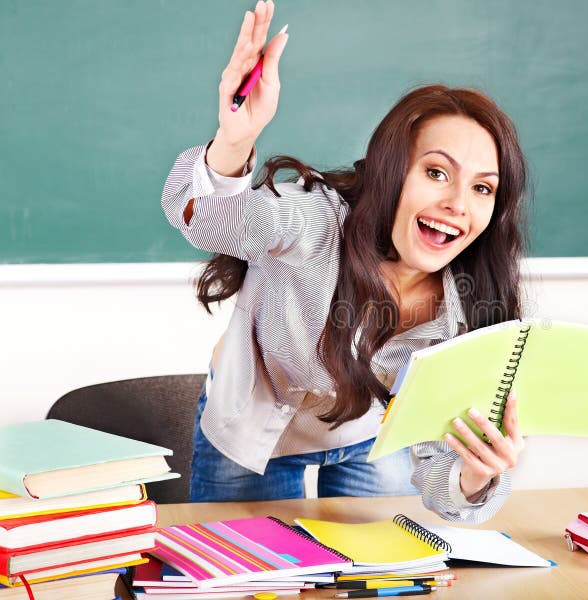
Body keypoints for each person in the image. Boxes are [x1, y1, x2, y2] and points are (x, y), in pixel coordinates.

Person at [162, 0, 529, 523]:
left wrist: (474, 474)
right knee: (244, 573)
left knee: (370, 573)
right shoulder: (315, 222)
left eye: (483, 188)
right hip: (251, 421)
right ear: (389, 168)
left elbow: (439, 481)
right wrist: (235, 139)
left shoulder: (468, 308)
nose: (459, 205)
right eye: (436, 172)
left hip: (367, 437)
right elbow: (206, 220)